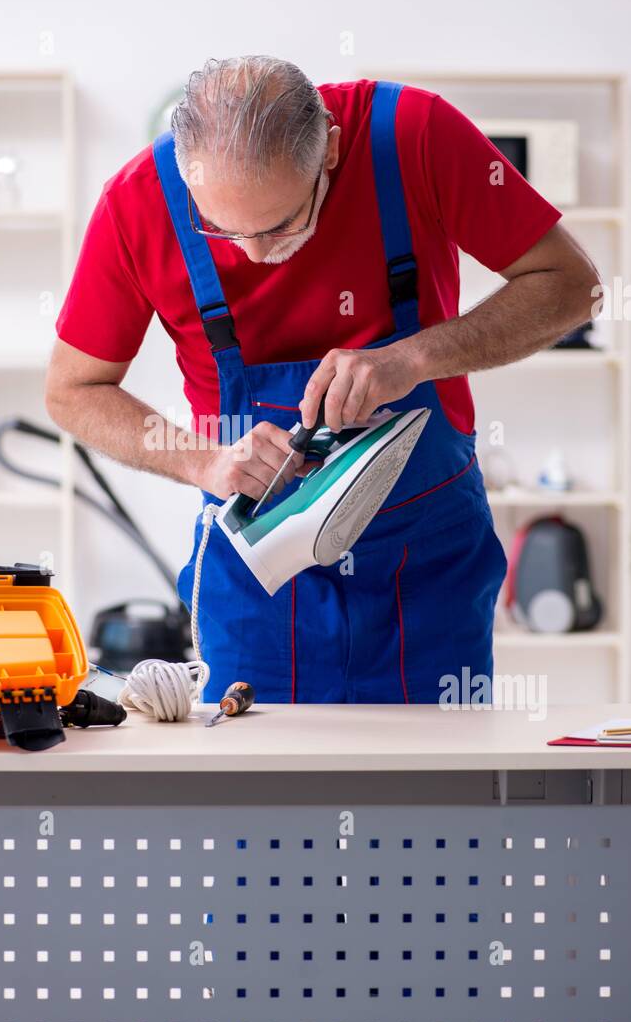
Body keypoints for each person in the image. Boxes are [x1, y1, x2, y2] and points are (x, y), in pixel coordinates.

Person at [46, 57, 599, 703]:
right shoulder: (137, 200)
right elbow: (72, 390)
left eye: (281, 223)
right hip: (256, 580)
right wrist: (203, 463)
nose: (252, 253)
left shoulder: (412, 135)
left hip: (426, 566)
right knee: (261, 789)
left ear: (330, 147)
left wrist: (412, 357)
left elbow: (572, 287)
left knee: (438, 789)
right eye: (219, 228)